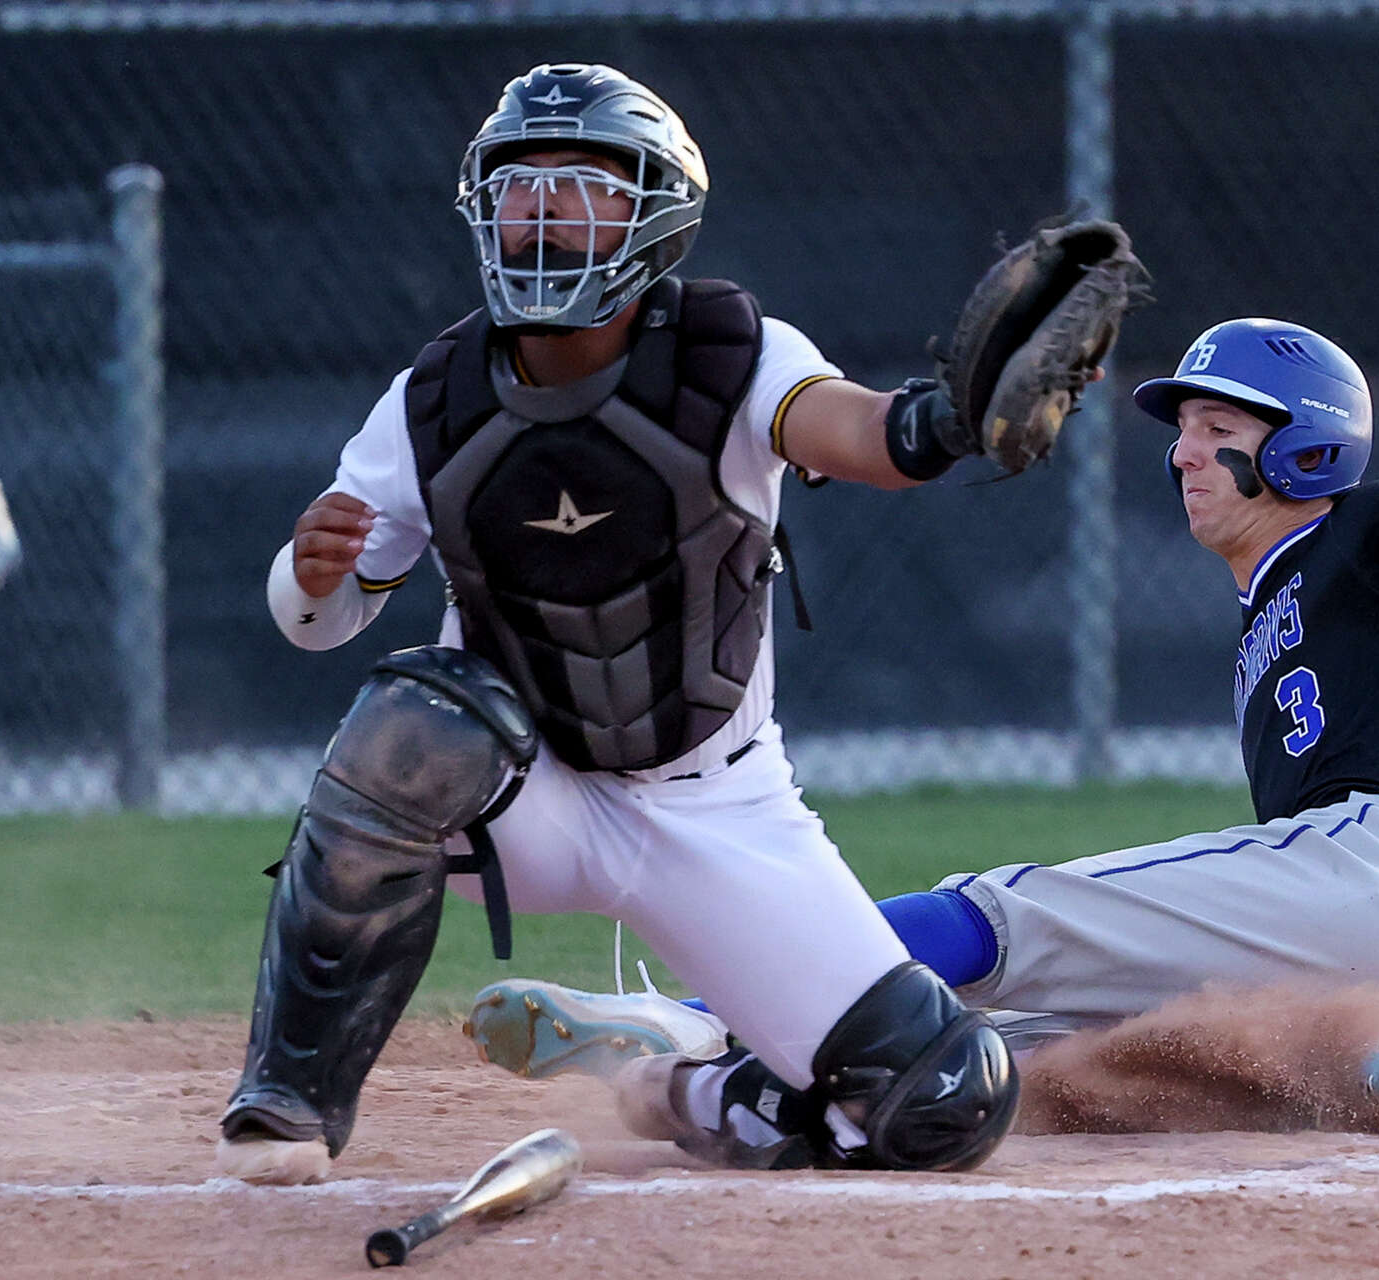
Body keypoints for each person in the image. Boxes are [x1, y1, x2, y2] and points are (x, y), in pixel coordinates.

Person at [466, 161, 1379, 1138]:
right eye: (1182, 431)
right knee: (1039, 1050)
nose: (1183, 455)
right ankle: (1372, 1072)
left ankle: (703, 1008)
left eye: (1219, 430)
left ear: (1306, 449)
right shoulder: (1269, 605)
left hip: (1371, 870)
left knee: (1008, 912)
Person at [213, 61, 1069, 1184]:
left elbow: (864, 436)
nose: (546, 210)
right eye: (523, 185)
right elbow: (318, 622)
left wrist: (950, 421)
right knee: (416, 714)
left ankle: (675, 1070)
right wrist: (311, 570)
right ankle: (289, 1096)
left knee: (945, 1104)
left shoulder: (731, 353)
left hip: (719, 807)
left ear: (657, 210)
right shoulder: (435, 394)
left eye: (585, 185)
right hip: (528, 800)